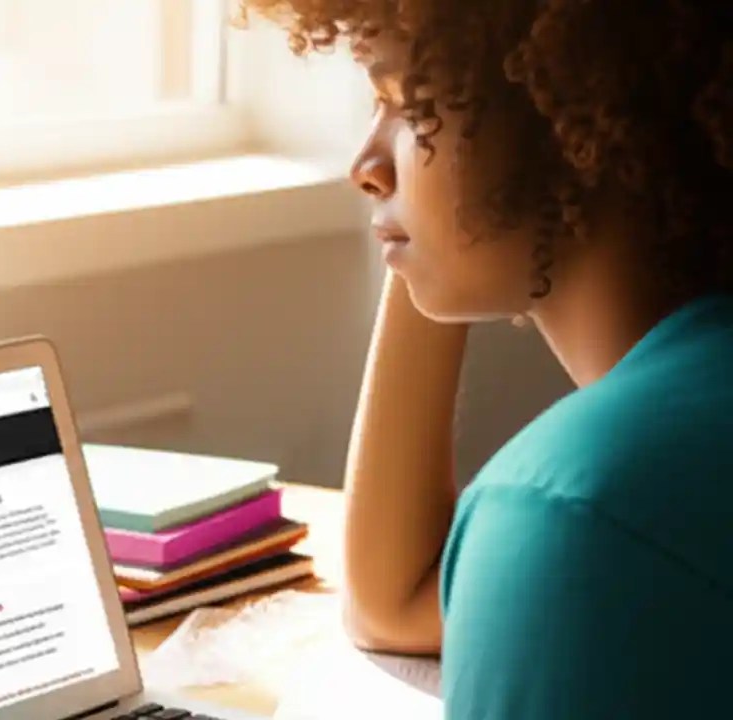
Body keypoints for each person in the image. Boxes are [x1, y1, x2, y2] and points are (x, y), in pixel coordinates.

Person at [241, 1, 733, 717]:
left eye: (406, 104)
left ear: (558, 101)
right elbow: (398, 601)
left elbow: (549, 540)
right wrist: (425, 227)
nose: (365, 168)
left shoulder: (577, 518)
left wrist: (438, 221)